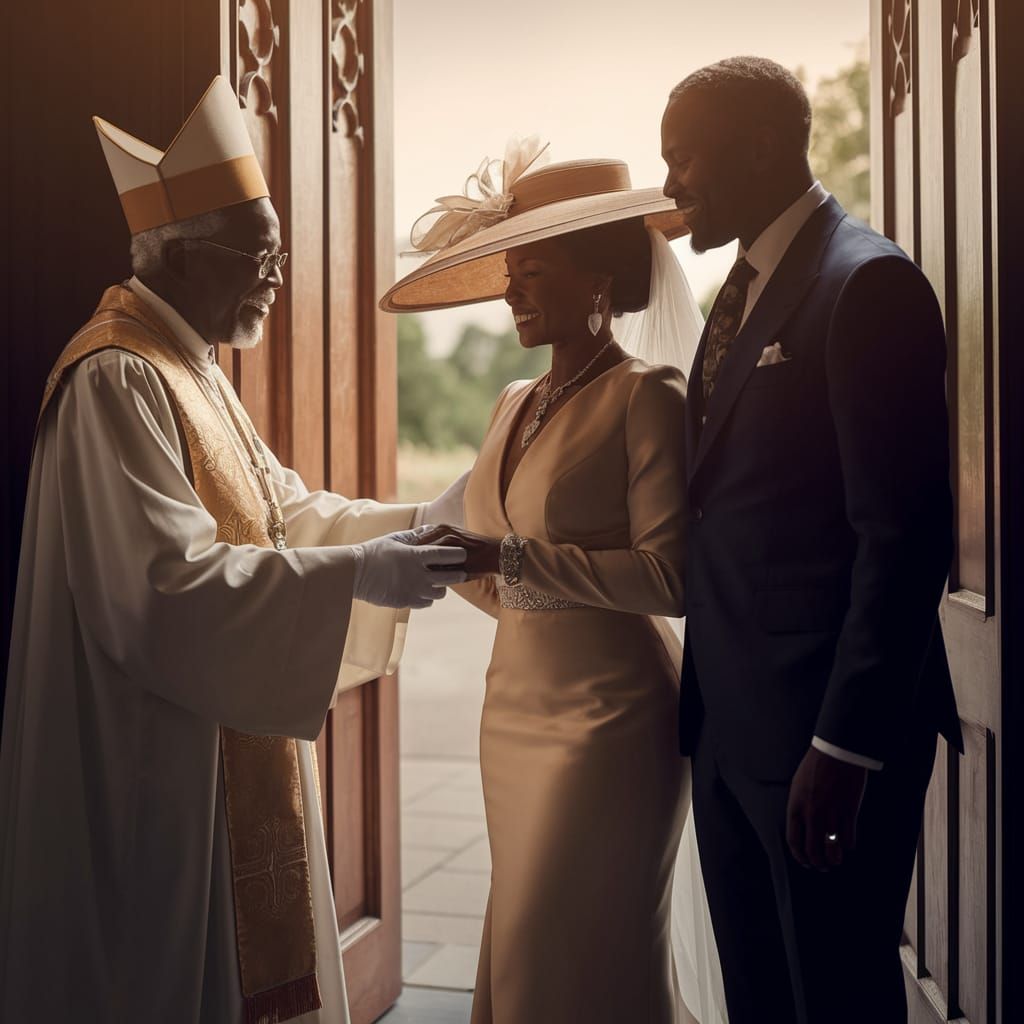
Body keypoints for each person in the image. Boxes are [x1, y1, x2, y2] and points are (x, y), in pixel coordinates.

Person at [0, 76, 468, 1024]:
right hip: (151, 760)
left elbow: (285, 516)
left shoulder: (191, 366)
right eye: (258, 254)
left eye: (279, 253)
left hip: (207, 742)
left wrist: (429, 518)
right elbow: (163, 593)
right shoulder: (116, 378)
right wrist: (365, 573)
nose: (275, 277)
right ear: (174, 254)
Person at [380, 140, 726, 1024]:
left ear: (600, 279)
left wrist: (511, 560)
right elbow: (494, 562)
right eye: (508, 271)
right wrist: (457, 559)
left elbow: (669, 577)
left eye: (532, 270)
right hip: (513, 712)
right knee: (524, 941)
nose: (510, 290)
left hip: (614, 725)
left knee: (578, 953)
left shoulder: (650, 397)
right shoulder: (508, 402)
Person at [661, 57, 961, 1024]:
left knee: (835, 996)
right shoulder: (745, 287)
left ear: (758, 147)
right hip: (726, 730)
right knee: (759, 999)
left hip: (819, 741)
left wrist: (845, 746)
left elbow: (904, 539)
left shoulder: (867, 283)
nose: (669, 186)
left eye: (684, 159)